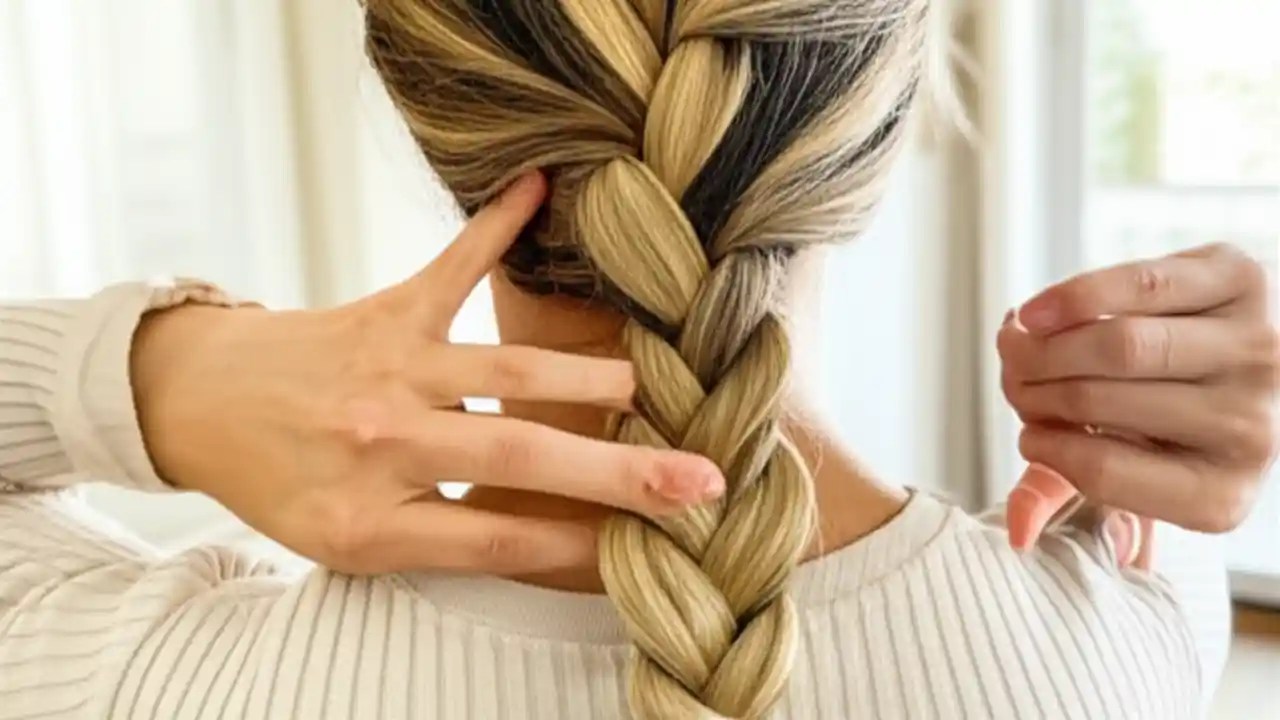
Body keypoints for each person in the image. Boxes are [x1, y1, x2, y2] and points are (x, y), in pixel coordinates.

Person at [0, 0, 1274, 717]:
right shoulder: (1120, 634)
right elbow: (1180, 549)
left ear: (423, 104)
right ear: (877, 118)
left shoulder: (150, 683)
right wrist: (1159, 457)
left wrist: (172, 373)